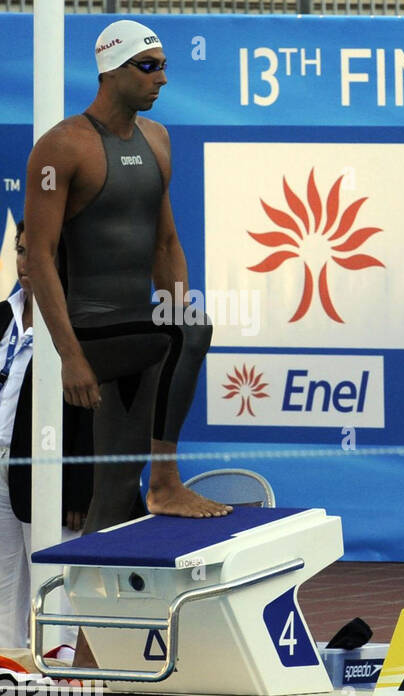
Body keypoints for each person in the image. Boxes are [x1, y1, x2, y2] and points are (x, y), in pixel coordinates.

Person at [22, 19, 228, 532]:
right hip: (89, 330)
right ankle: (165, 482)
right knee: (189, 329)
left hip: (139, 329)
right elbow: (41, 257)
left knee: (112, 496)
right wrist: (69, 356)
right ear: (112, 71)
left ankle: (84, 613)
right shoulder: (63, 146)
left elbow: (166, 243)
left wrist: (173, 316)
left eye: (164, 67)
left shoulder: (157, 140)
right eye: (149, 66)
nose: (162, 79)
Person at [1, 220, 90, 657]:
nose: (25, 262)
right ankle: (7, 666)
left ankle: (61, 670)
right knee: (3, 586)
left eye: (36, 252)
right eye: (20, 250)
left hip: (47, 473)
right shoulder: (2, 316)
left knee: (53, 580)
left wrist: (78, 487)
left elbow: (90, 412)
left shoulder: (79, 325)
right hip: (0, 474)